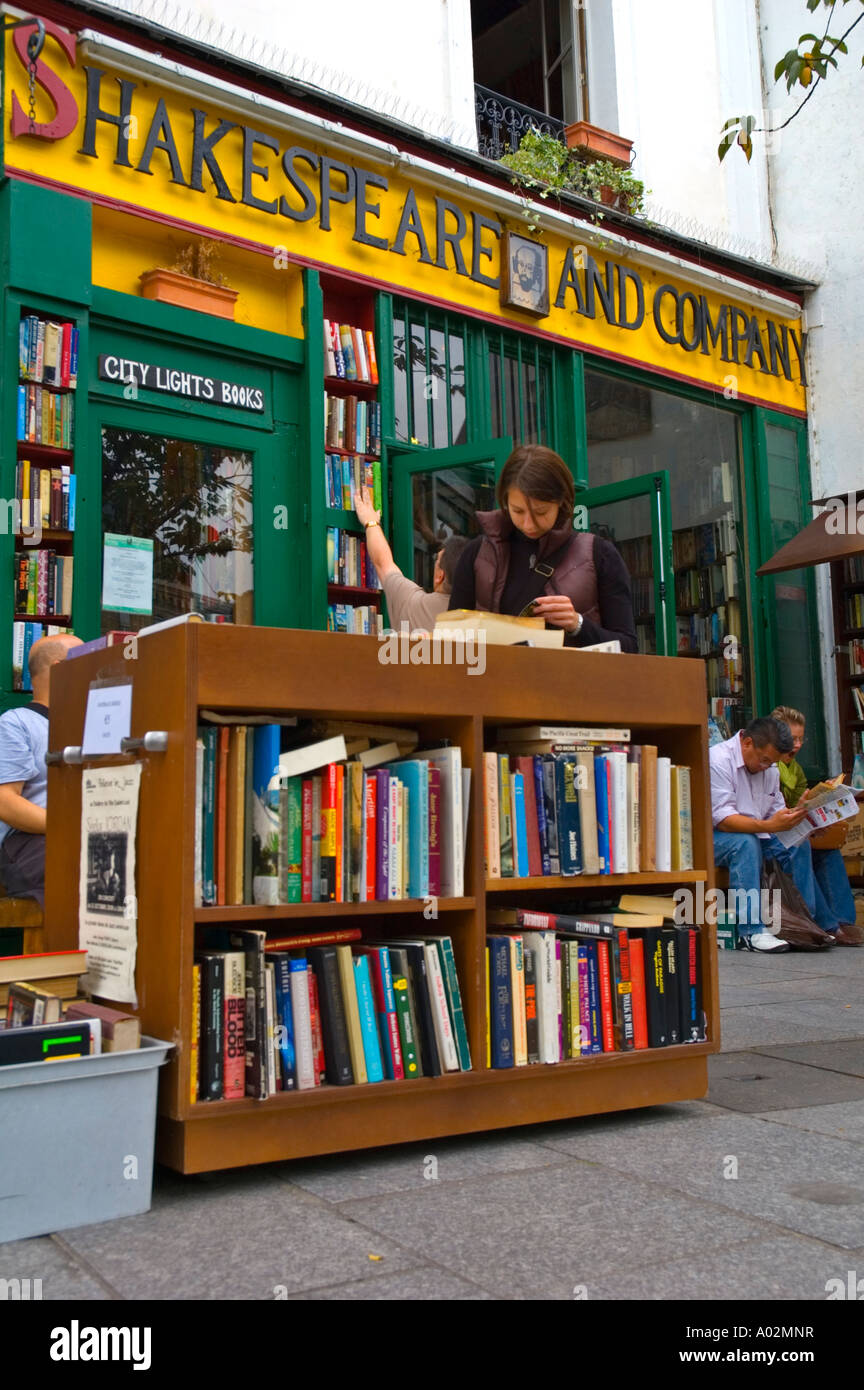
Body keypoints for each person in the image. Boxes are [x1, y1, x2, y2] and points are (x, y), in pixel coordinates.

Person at [447, 444, 638, 650]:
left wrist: (578, 625)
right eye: (517, 511)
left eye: (541, 512)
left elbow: (628, 647)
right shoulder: (476, 554)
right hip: (495, 680)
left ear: (562, 502)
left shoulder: (599, 554)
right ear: (504, 501)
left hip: (569, 681)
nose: (529, 524)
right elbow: (450, 642)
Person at [710, 715, 860, 952]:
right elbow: (724, 820)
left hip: (757, 832)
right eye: (764, 760)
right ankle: (751, 932)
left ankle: (802, 923)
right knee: (745, 844)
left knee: (798, 843)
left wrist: (804, 817)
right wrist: (771, 826)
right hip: (716, 837)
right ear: (747, 743)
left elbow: (776, 810)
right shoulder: (718, 760)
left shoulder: (770, 768)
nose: (765, 767)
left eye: (771, 763)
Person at [0, 632, 82, 905]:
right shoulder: (15, 724)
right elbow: (5, 802)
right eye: (88, 661)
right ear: (62, 670)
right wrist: (70, 826)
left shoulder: (95, 722)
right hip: (30, 841)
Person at [771, 703, 862, 943]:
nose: (798, 745)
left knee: (828, 849)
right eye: (793, 739)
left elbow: (800, 802)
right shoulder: (769, 764)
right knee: (803, 847)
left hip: (794, 825)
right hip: (774, 830)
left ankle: (843, 922)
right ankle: (822, 923)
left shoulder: (796, 769)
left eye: (801, 738)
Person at [354, 488, 470, 631]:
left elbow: (383, 563)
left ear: (440, 576)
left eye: (437, 560)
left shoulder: (412, 605)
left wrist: (370, 522)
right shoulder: (483, 618)